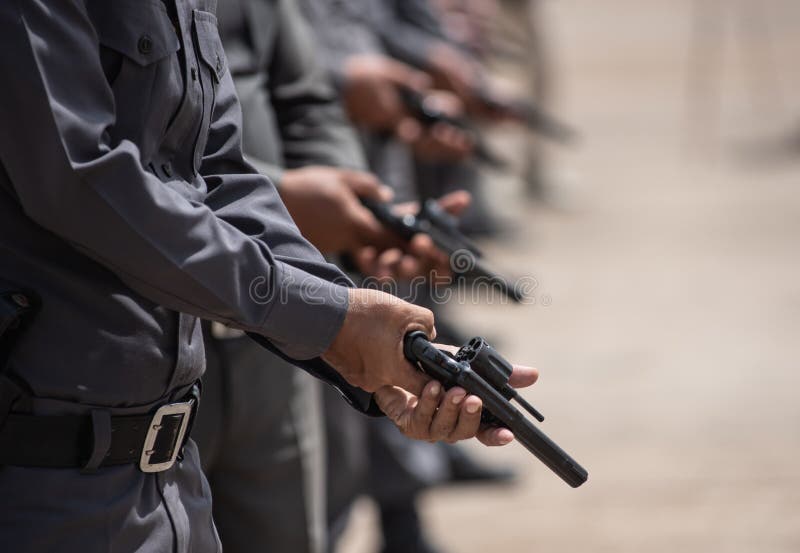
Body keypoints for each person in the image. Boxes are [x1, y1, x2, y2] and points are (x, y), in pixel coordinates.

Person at [0, 2, 537, 552]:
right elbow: (80, 179)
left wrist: (347, 315)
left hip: (170, 469)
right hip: (45, 463)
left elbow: (218, 170)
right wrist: (325, 317)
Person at [193, 2, 465, 552]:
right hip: (157, 335)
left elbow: (305, 98)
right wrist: (284, 199)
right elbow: (109, 164)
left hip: (278, 334)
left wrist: (349, 216)